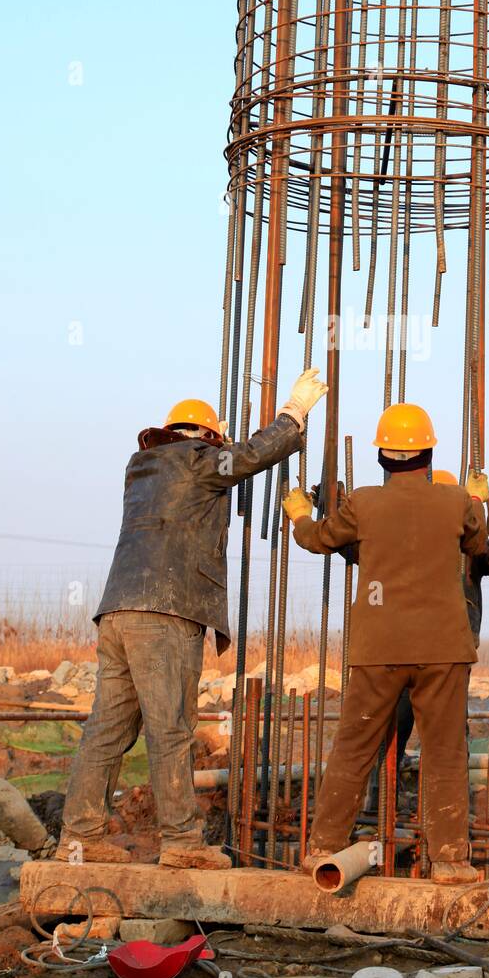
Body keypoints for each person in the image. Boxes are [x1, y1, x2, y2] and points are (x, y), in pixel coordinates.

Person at [58, 369, 327, 869]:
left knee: (107, 731)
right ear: (204, 438)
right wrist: (293, 412)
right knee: (172, 728)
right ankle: (182, 843)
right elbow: (250, 458)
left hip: (118, 610)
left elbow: (204, 470)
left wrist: (207, 443)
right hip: (166, 612)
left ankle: (79, 837)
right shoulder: (199, 461)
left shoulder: (142, 467)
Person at [283, 402, 488, 884]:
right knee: (445, 753)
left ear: (381, 457)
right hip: (444, 650)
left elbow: (317, 539)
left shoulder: (364, 503)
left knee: (354, 748)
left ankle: (323, 848)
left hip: (379, 650)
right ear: (430, 454)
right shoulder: (455, 501)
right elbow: (480, 544)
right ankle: (451, 861)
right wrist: (477, 500)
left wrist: (299, 514)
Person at [392, 468, 489, 766]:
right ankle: (382, 801)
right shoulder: (402, 538)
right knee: (391, 732)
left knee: (447, 739)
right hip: (400, 651)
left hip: (449, 653)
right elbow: (358, 547)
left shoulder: (469, 544)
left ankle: (445, 805)